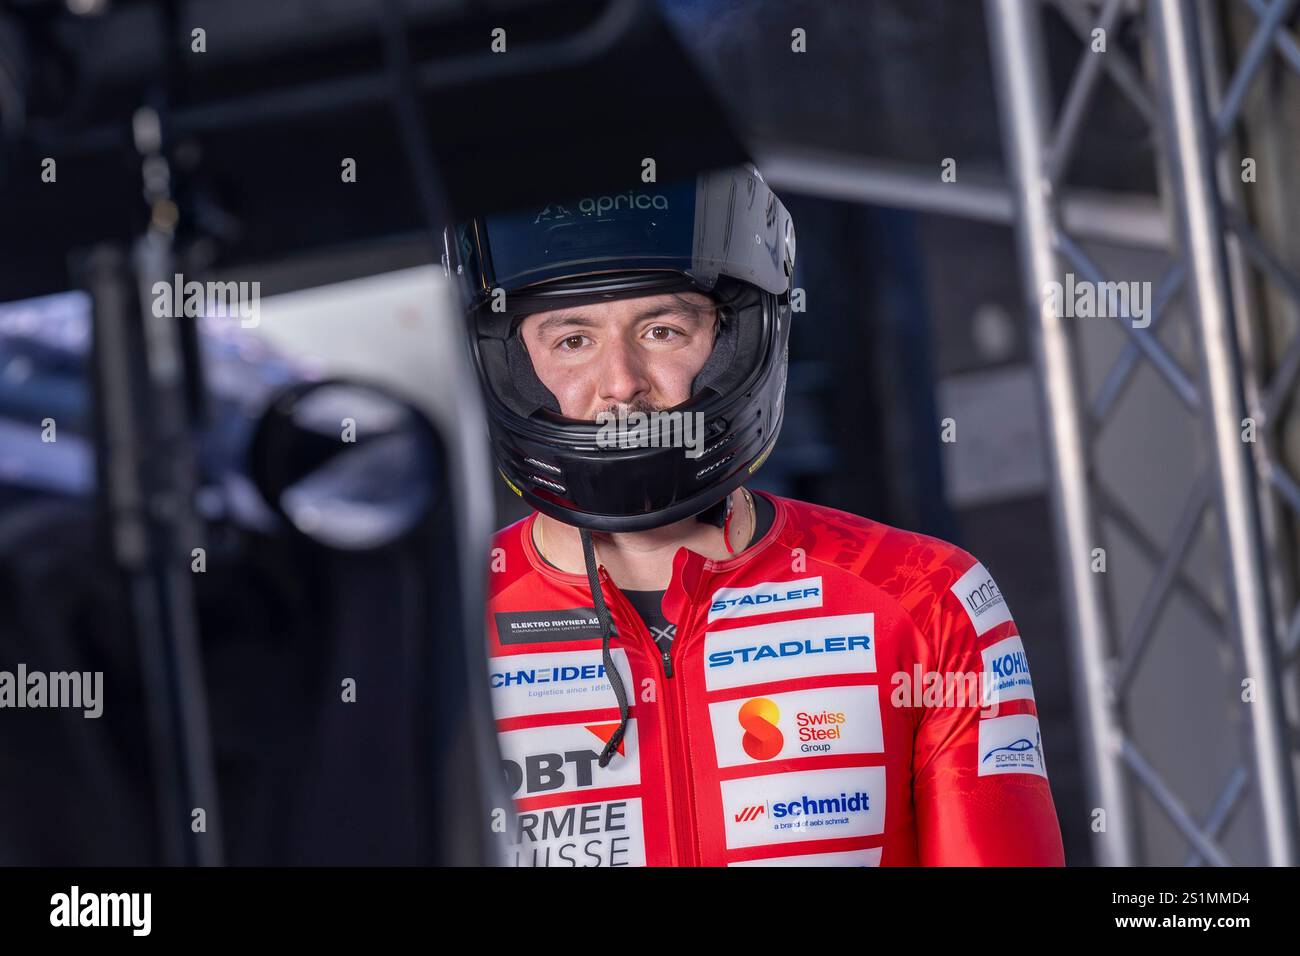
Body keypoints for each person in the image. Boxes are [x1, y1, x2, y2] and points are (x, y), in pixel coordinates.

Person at [448, 165, 1066, 867]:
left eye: (662, 330)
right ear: (509, 365)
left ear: (738, 341)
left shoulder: (924, 596)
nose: (621, 381)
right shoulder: (442, 636)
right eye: (572, 341)